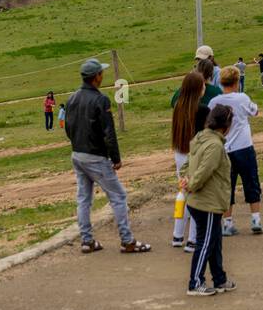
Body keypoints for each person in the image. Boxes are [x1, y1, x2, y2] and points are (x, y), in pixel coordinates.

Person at [64, 57, 150, 255]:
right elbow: (108, 132)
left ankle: (87, 240)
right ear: (96, 77)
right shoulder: (100, 99)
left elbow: (68, 127)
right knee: (118, 196)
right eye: (101, 73)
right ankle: (127, 240)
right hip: (95, 156)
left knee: (84, 198)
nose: (103, 75)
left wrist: (77, 143)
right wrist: (116, 157)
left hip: (77, 154)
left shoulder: (73, 97)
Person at [181, 103, 234, 297]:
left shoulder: (201, 138)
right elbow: (204, 171)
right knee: (205, 242)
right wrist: (191, 184)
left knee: (215, 241)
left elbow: (187, 163)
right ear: (226, 125)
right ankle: (195, 282)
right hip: (207, 202)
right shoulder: (215, 145)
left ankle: (219, 278)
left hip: (201, 200)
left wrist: (185, 178)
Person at [210, 66, 262, 236]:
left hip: (224, 149)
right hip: (244, 147)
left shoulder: (215, 101)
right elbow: (255, 111)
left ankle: (228, 223)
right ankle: (255, 219)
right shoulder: (242, 98)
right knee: (251, 181)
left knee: (227, 186)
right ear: (237, 81)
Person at [171, 71, 204, 251]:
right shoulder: (202, 109)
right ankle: (192, 239)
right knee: (195, 195)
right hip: (195, 155)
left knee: (182, 191)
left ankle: (177, 235)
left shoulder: (178, 106)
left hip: (180, 153)